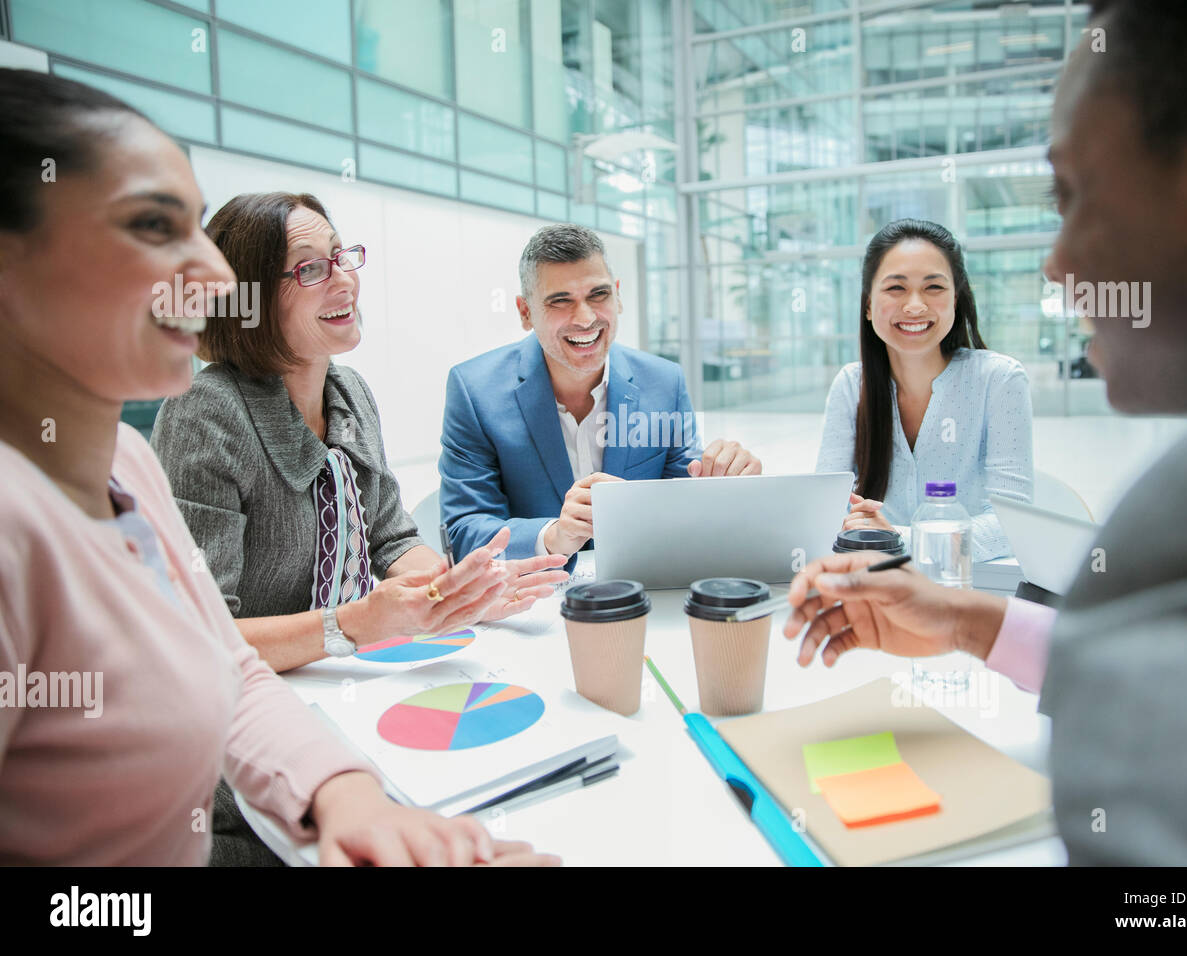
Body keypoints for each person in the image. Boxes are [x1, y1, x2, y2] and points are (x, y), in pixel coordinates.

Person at [783, 0, 1187, 864]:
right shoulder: (852, 386)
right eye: (894, 291)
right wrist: (965, 620)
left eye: (1073, 194)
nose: (1057, 264)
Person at [0, 68, 557, 866]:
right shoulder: (48, 509)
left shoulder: (125, 463)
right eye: (154, 226)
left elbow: (223, 665)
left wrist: (353, 801)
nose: (216, 279)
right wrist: (356, 627)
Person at [149, 192, 569, 864]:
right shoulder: (207, 416)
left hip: (344, 710)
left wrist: (460, 586)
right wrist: (353, 625)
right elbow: (207, 642)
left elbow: (392, 538)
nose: (344, 278)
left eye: (343, 257)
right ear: (250, 298)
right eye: (311, 269)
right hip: (247, 777)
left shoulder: (350, 393)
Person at [439, 223, 763, 564]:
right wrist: (552, 536)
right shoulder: (475, 390)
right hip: (534, 596)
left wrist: (728, 483)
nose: (586, 318)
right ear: (525, 312)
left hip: (639, 586)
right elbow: (464, 530)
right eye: (560, 301)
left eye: (599, 294)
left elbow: (686, 503)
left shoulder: (665, 382)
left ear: (618, 295)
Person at [815, 218, 1033, 561]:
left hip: (966, 591)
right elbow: (824, 512)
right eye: (896, 288)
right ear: (869, 305)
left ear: (956, 299)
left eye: (933, 287)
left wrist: (893, 538)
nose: (915, 306)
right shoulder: (850, 385)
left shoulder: (999, 379)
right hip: (874, 589)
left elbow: (1013, 526)